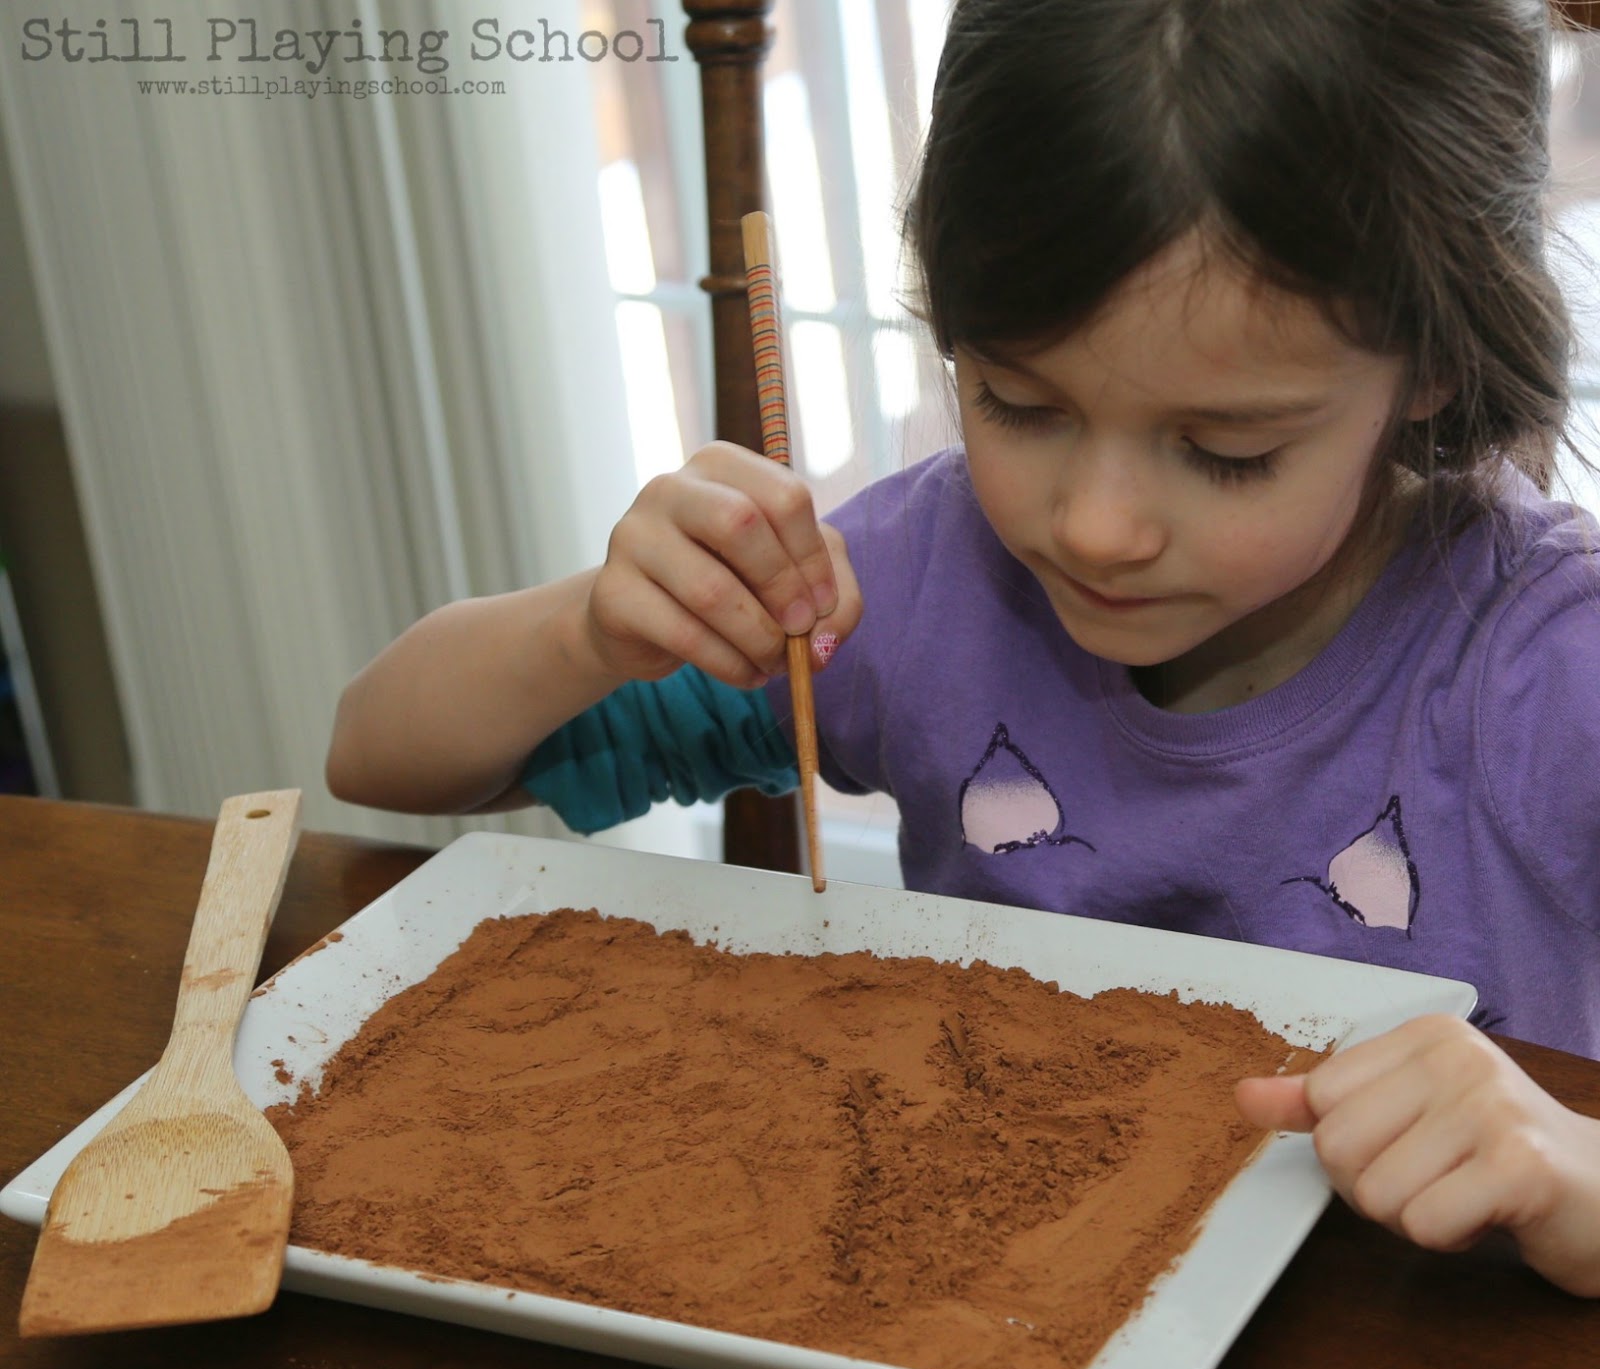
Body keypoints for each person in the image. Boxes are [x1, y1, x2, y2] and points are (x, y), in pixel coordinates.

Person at [326, 0, 1600, 1295]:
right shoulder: (921, 586)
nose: (1096, 530)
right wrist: (583, 627)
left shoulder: (1553, 671)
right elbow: (383, 756)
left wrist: (1572, 1174)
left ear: (1431, 364)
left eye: (1228, 452)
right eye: (1017, 403)